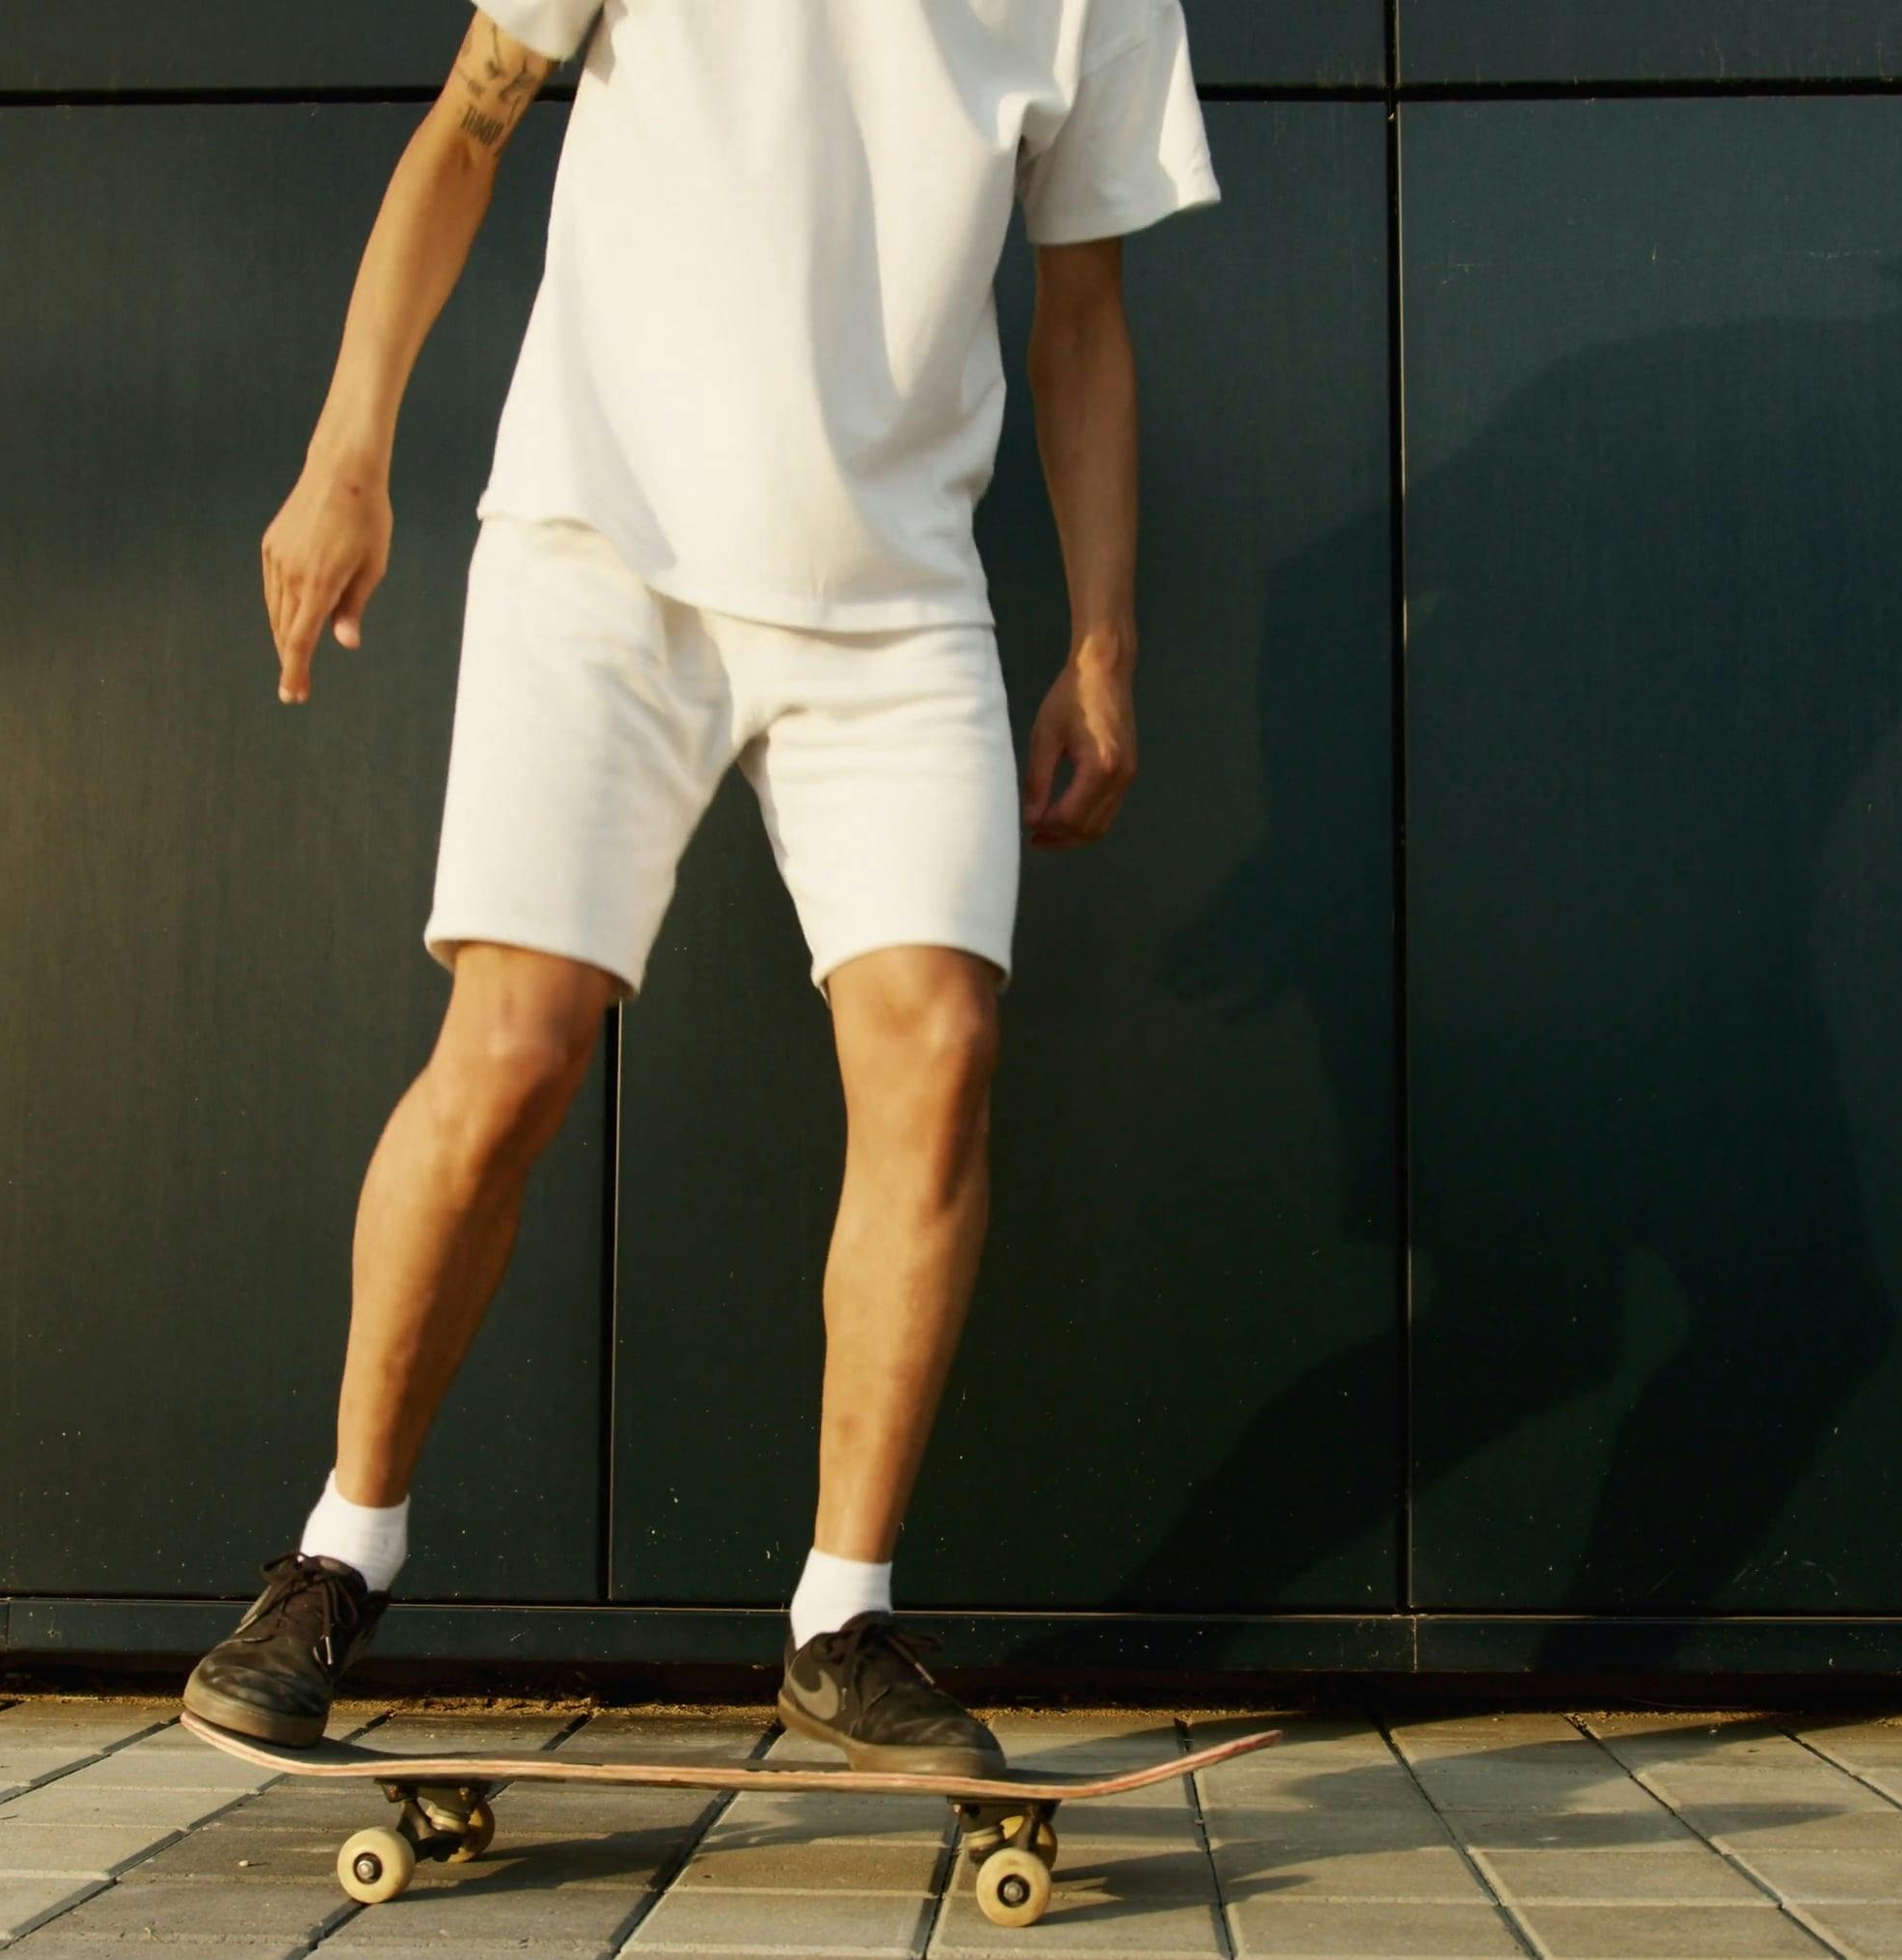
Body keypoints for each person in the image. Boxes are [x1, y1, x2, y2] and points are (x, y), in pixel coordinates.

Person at [179, 0, 1218, 1779]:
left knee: (941, 1044)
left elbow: (1082, 313)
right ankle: (337, 1557)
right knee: (514, 1050)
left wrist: (1103, 639)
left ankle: (841, 1623)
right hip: (604, 548)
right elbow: (468, 130)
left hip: (895, 594)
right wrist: (349, 450)